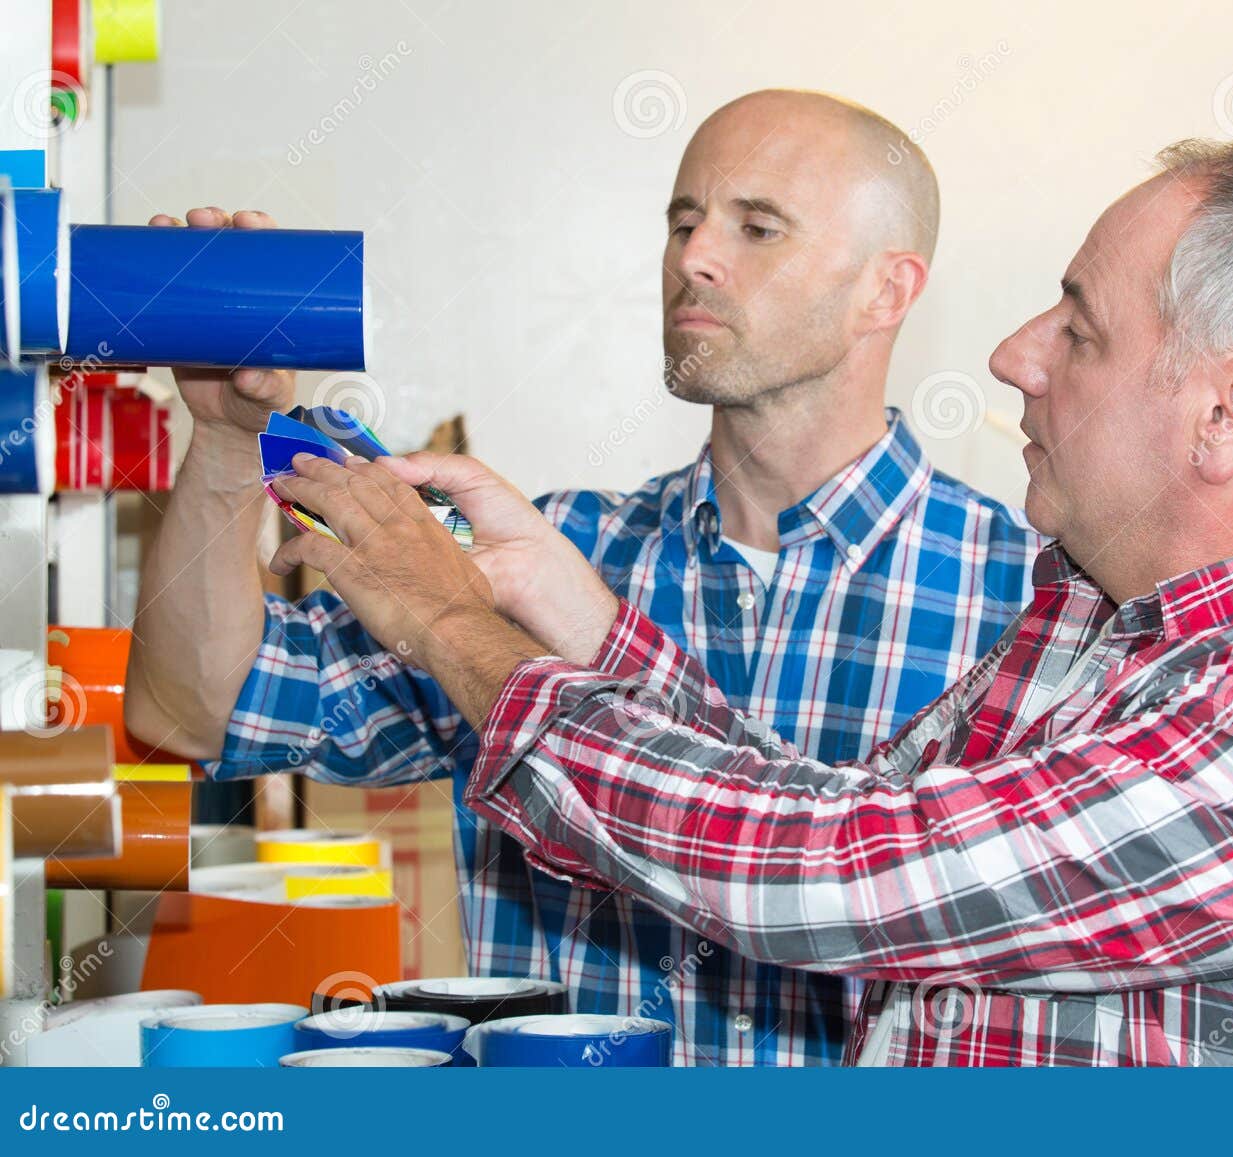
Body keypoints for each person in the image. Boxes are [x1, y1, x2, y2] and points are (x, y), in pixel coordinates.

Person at [257, 138, 1233, 1066]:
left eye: (1081, 327)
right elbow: (846, 813)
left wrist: (449, 627)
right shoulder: (1097, 616)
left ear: (1229, 413)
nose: (1017, 353)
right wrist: (578, 620)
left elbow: (828, 878)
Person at [123, 90, 1040, 1067]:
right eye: (682, 221)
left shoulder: (1026, 605)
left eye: (755, 226)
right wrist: (226, 437)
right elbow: (195, 711)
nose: (693, 255)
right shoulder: (541, 554)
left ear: (886, 292)